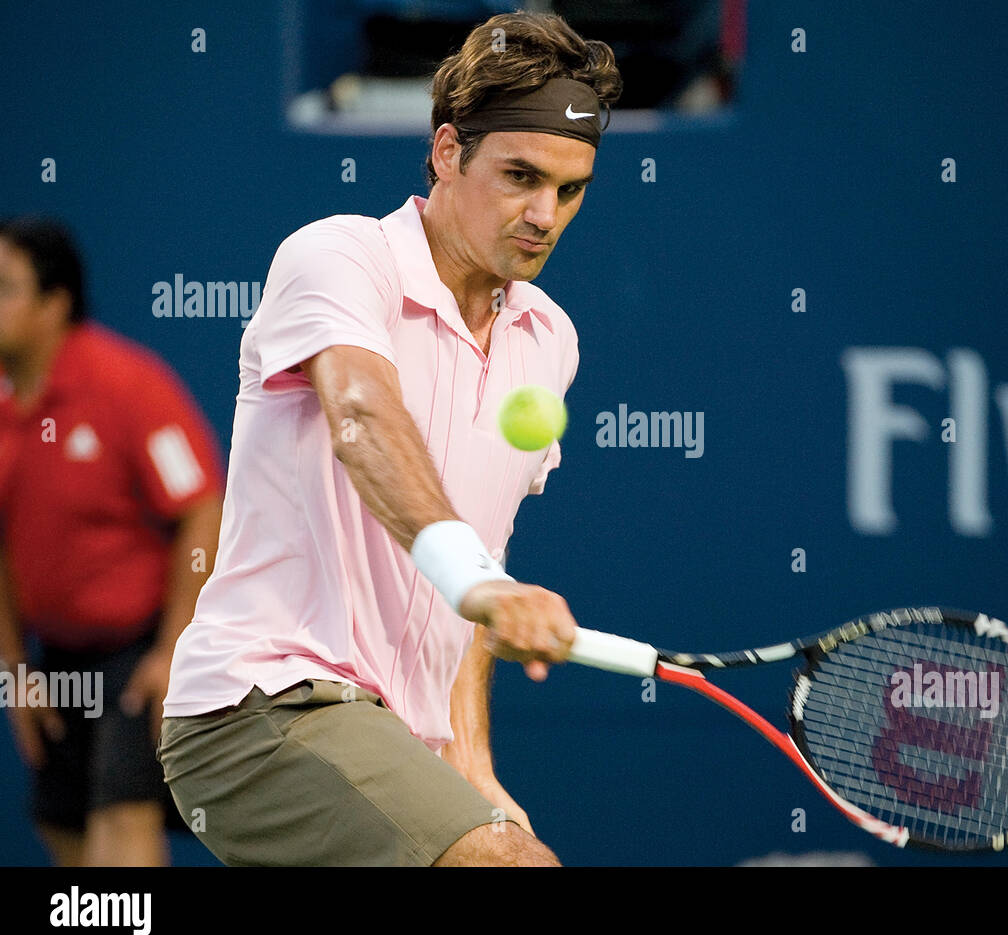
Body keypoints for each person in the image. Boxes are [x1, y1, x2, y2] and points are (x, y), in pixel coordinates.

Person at [158, 11, 622, 866]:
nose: (544, 214)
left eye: (570, 188)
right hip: (263, 703)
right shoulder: (339, 256)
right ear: (448, 151)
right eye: (519, 176)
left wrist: (473, 764)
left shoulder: (549, 339)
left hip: (399, 738)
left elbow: (478, 561)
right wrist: (479, 586)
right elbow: (362, 418)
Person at [0, 217, 224, 866]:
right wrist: (15, 674)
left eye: (6, 287)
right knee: (65, 833)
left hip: (139, 651)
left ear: (54, 304)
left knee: (123, 827)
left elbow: (203, 506)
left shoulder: (127, 384)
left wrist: (174, 646)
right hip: (59, 658)